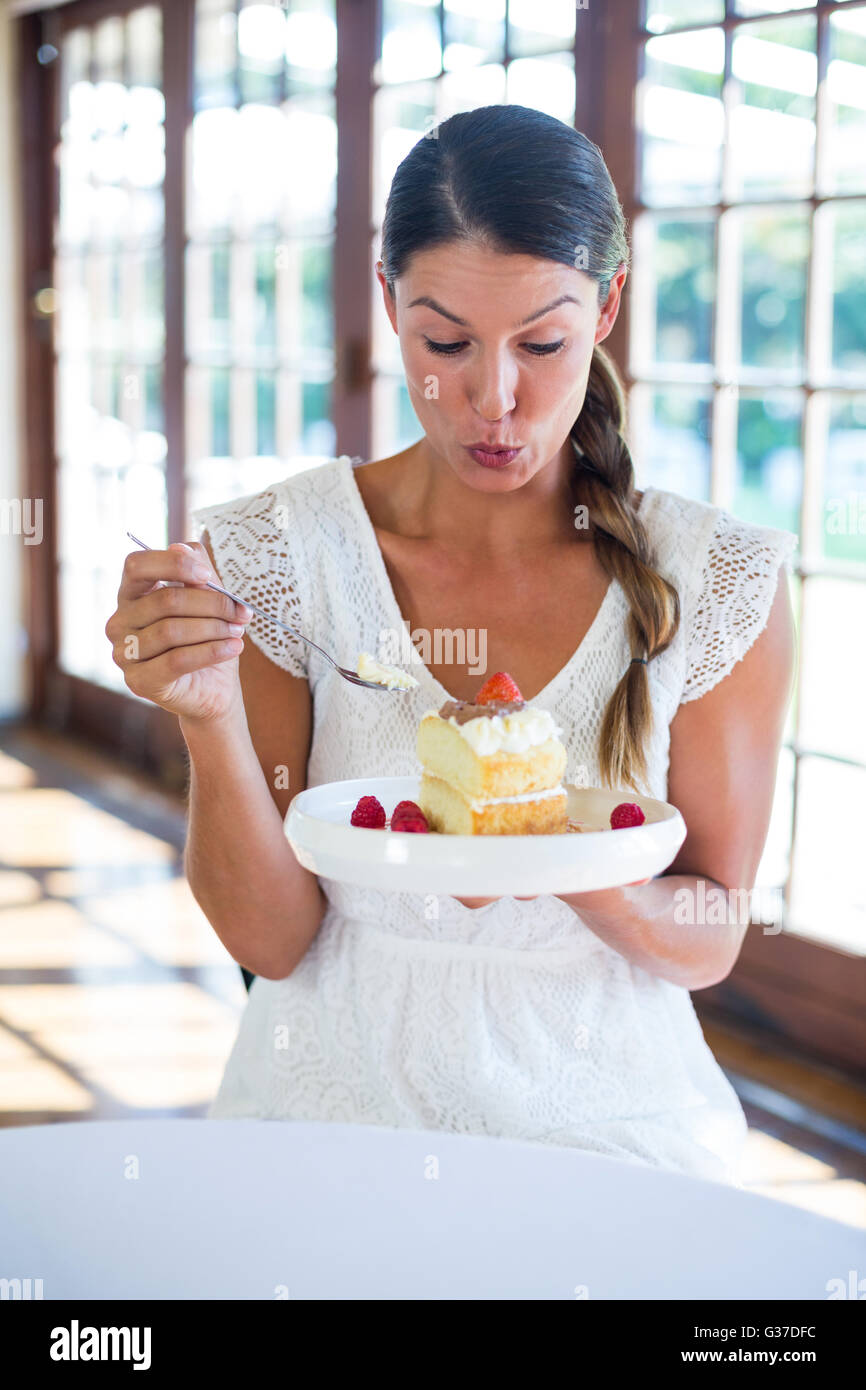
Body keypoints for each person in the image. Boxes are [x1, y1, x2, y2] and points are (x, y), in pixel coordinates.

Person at [105, 105, 797, 1185]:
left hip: (612, 1134)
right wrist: (207, 714)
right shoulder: (278, 554)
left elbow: (705, 931)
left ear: (605, 307)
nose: (492, 399)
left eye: (542, 342)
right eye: (444, 343)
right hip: (329, 1120)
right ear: (387, 304)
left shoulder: (715, 580)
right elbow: (273, 943)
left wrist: (556, 850)